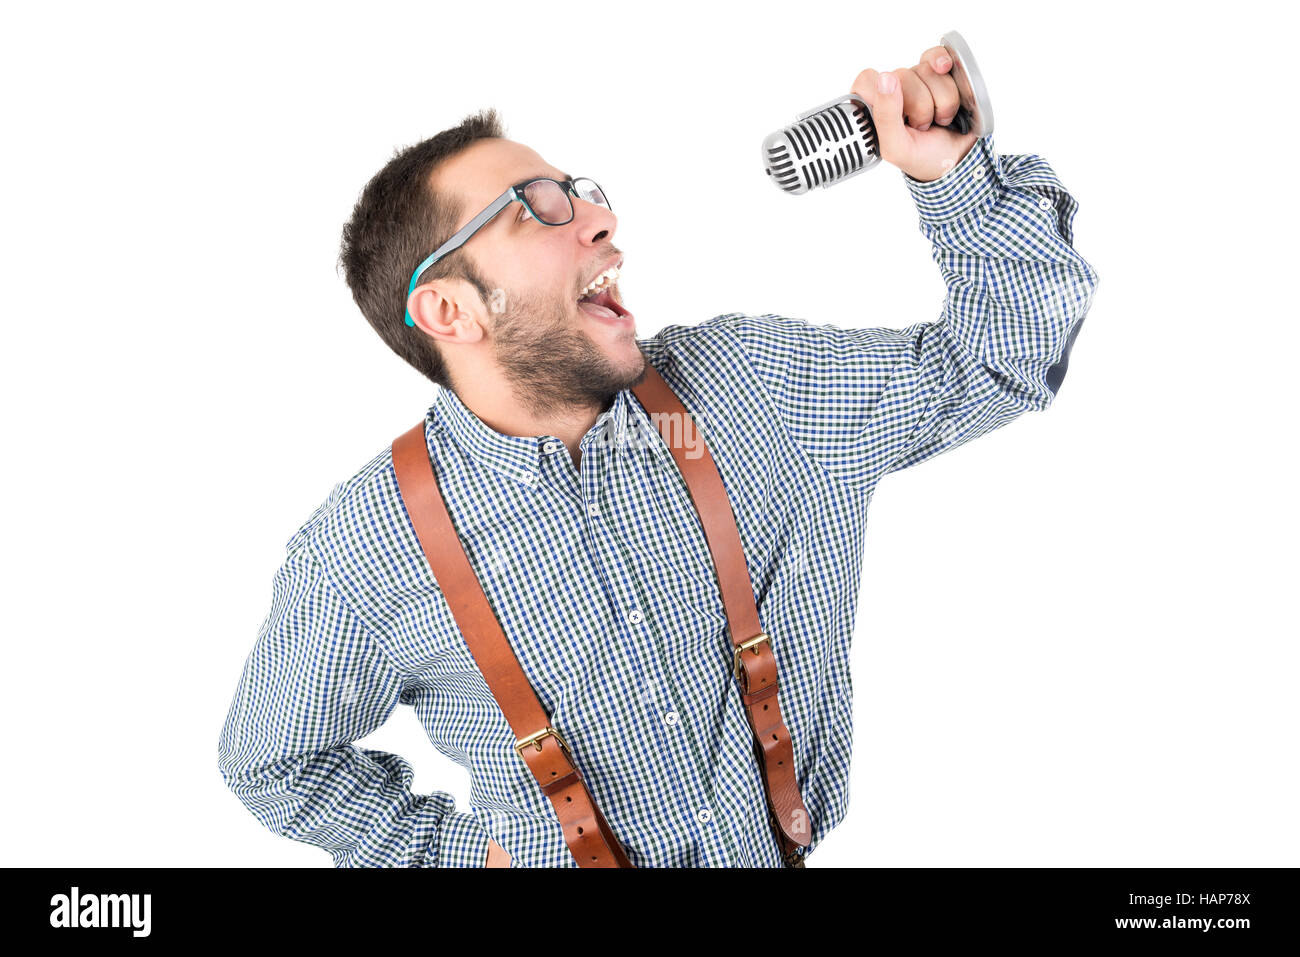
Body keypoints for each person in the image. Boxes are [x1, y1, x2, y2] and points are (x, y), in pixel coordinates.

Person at [217, 45, 1099, 867]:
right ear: (450, 310)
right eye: (540, 206)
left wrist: (954, 182)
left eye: (582, 191)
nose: (602, 218)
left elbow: (997, 358)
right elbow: (270, 760)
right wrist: (464, 857)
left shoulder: (752, 392)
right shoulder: (362, 554)